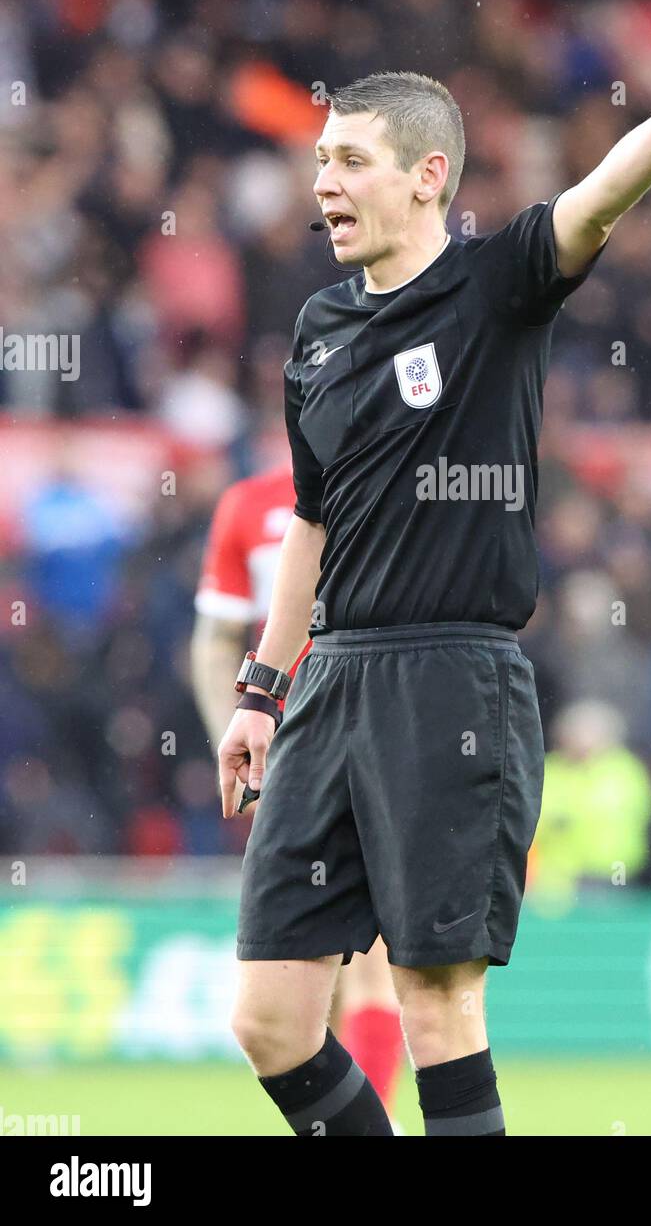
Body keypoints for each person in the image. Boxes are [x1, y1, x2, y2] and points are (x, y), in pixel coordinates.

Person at [216, 0, 651, 1137]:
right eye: (319, 161)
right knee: (270, 1017)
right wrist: (258, 690)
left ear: (427, 175)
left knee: (435, 1004)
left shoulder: (497, 286)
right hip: (331, 682)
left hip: (451, 680)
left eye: (349, 162)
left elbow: (601, 196)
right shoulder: (318, 331)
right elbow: (312, 527)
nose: (322, 182)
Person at [191, 466, 405, 1119]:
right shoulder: (377, 485)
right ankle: (370, 1119)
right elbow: (215, 639)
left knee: (344, 960)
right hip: (320, 734)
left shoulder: (272, 500)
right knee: (338, 963)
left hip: (331, 732)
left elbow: (214, 641)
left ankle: (372, 1120)